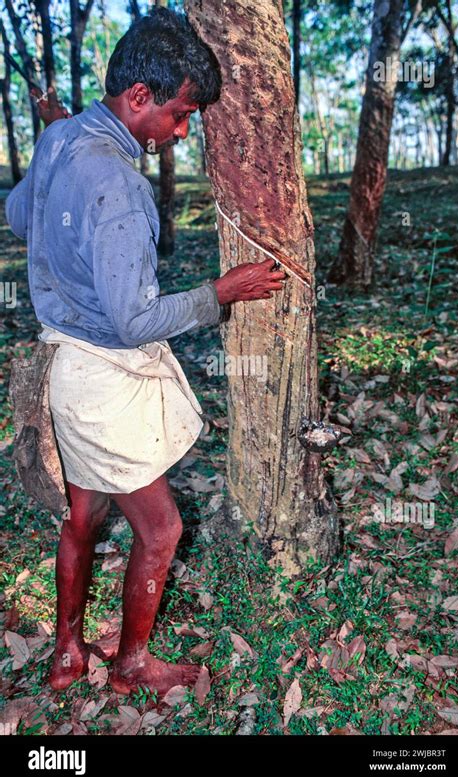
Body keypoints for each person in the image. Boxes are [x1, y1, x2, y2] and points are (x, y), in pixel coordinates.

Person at [6, 8, 286, 697]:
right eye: (180, 114)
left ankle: (67, 653)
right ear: (139, 96)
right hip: (104, 378)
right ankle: (131, 665)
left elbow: (18, 216)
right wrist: (221, 292)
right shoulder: (122, 187)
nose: (183, 132)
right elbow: (135, 321)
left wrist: (58, 155)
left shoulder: (60, 139)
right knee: (161, 530)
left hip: (62, 364)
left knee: (83, 516)